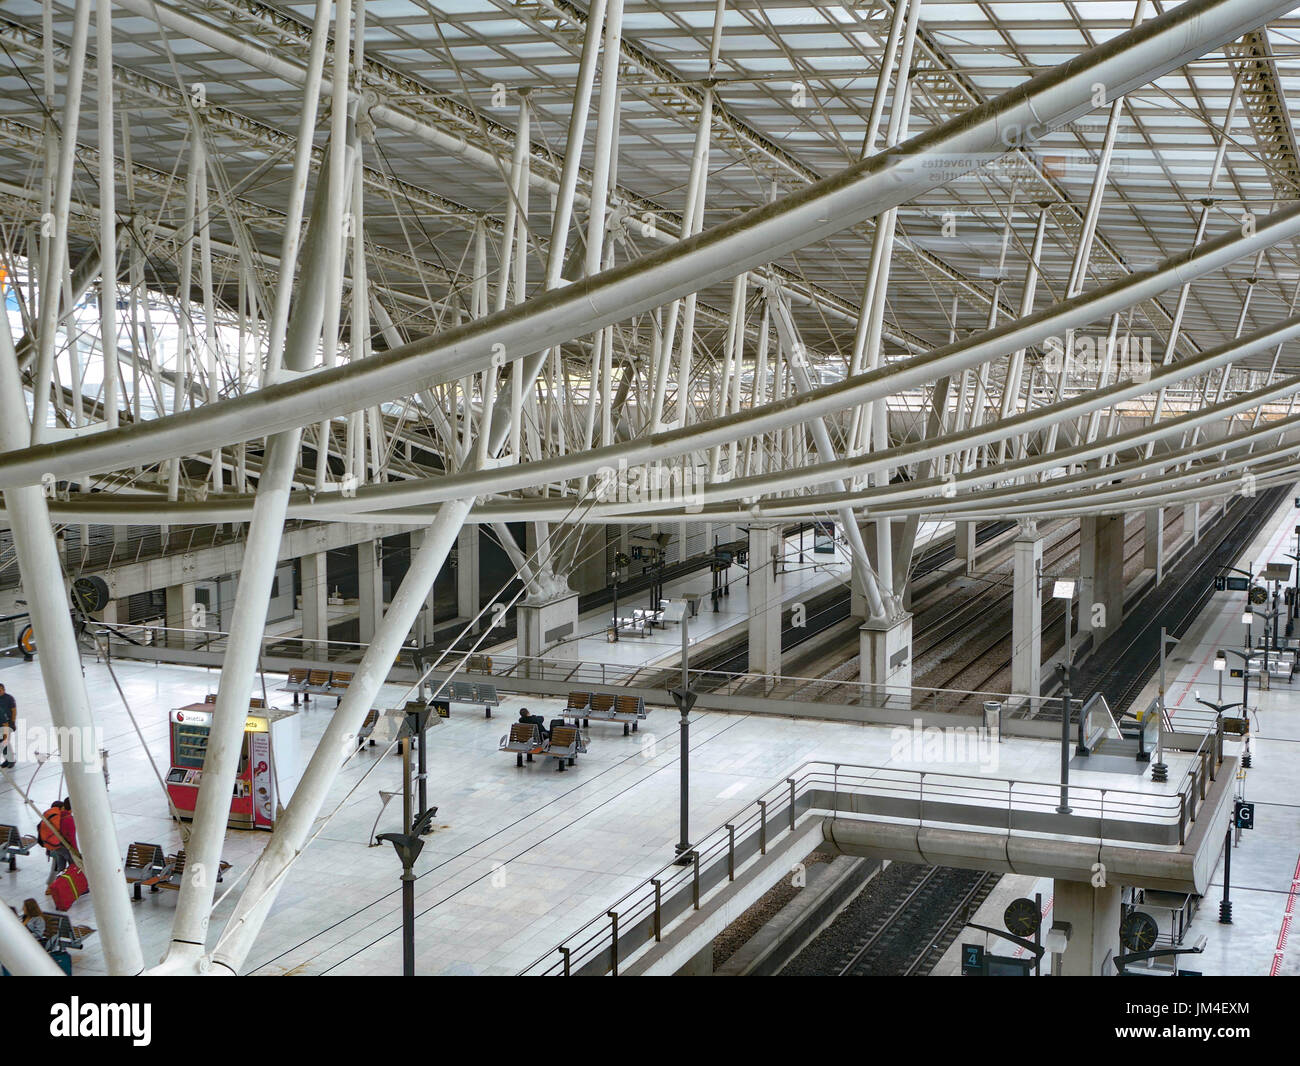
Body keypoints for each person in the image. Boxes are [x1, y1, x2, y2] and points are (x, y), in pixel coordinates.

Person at [38, 798, 76, 886]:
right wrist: (75, 851)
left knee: (60, 868)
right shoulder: (67, 819)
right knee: (74, 866)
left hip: (54, 847)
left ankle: (57, 885)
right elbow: (71, 838)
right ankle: (74, 886)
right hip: (63, 847)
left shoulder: (53, 817)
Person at [0, 683, 15, 768]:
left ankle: (11, 760)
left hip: (6, 724)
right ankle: (7, 760)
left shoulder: (9, 698)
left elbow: (14, 710)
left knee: (6, 743)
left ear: (3, 690)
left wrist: (13, 722)